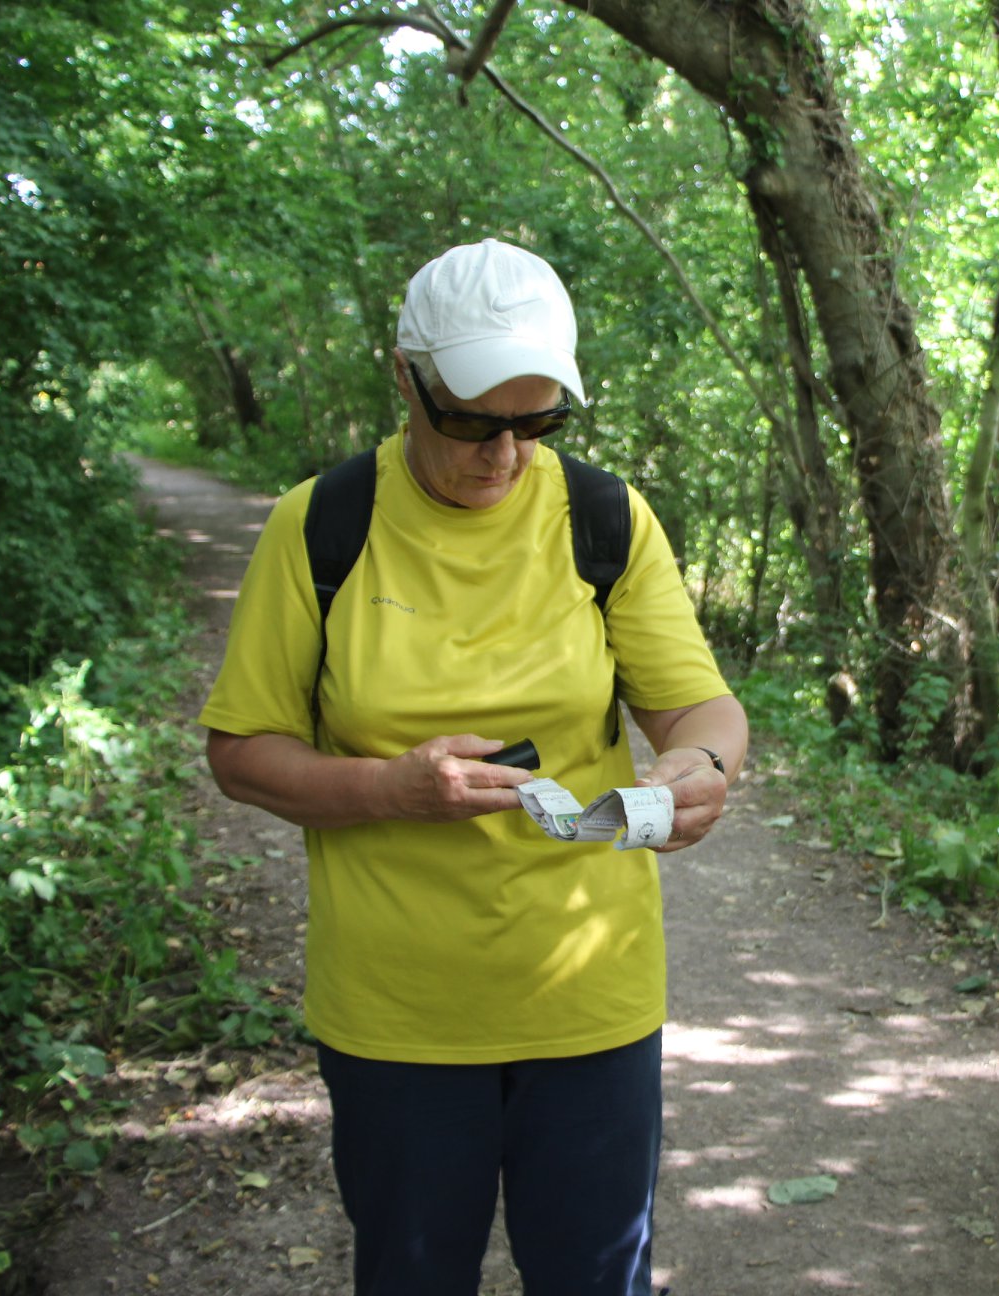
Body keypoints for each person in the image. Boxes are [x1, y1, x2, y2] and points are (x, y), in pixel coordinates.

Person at [198, 238, 748, 1296]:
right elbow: (242, 753)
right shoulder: (319, 527)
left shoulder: (603, 520)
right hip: (399, 1012)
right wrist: (387, 790)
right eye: (471, 421)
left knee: (596, 1278)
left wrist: (703, 764)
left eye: (538, 422)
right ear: (403, 377)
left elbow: (700, 706)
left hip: (589, 1000)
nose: (504, 455)